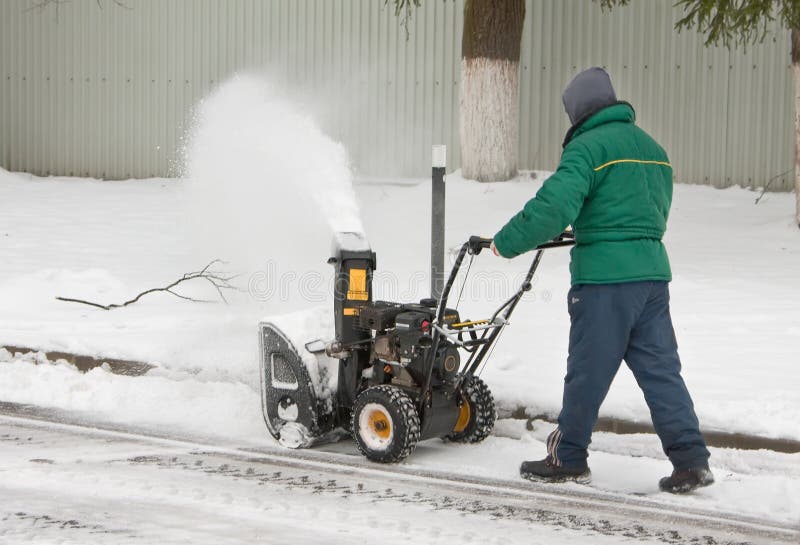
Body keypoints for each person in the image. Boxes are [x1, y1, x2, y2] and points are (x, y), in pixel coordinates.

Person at [490, 67, 713, 494]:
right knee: (663, 372)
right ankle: (691, 461)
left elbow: (554, 206)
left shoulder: (587, 149)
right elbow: (642, 212)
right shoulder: (653, 148)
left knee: (587, 372)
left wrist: (506, 242)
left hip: (606, 283)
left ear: (578, 112)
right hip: (651, 279)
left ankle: (568, 457)